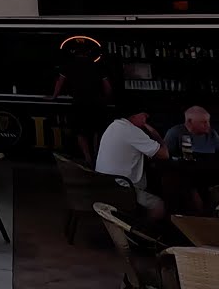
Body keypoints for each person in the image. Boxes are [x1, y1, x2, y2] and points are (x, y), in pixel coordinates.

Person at [96, 102, 169, 219]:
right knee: (158, 205)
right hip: (120, 188)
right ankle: (144, 234)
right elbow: (164, 154)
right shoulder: (132, 131)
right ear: (135, 116)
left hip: (103, 183)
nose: (146, 119)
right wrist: (155, 133)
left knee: (150, 186)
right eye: (144, 116)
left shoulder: (114, 125)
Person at [53, 35, 113, 165]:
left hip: (79, 102)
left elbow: (60, 83)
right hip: (97, 102)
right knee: (97, 130)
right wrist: (106, 98)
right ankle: (98, 157)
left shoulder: (68, 65)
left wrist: (54, 96)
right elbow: (107, 86)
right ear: (88, 52)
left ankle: (88, 158)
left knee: (81, 132)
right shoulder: (97, 66)